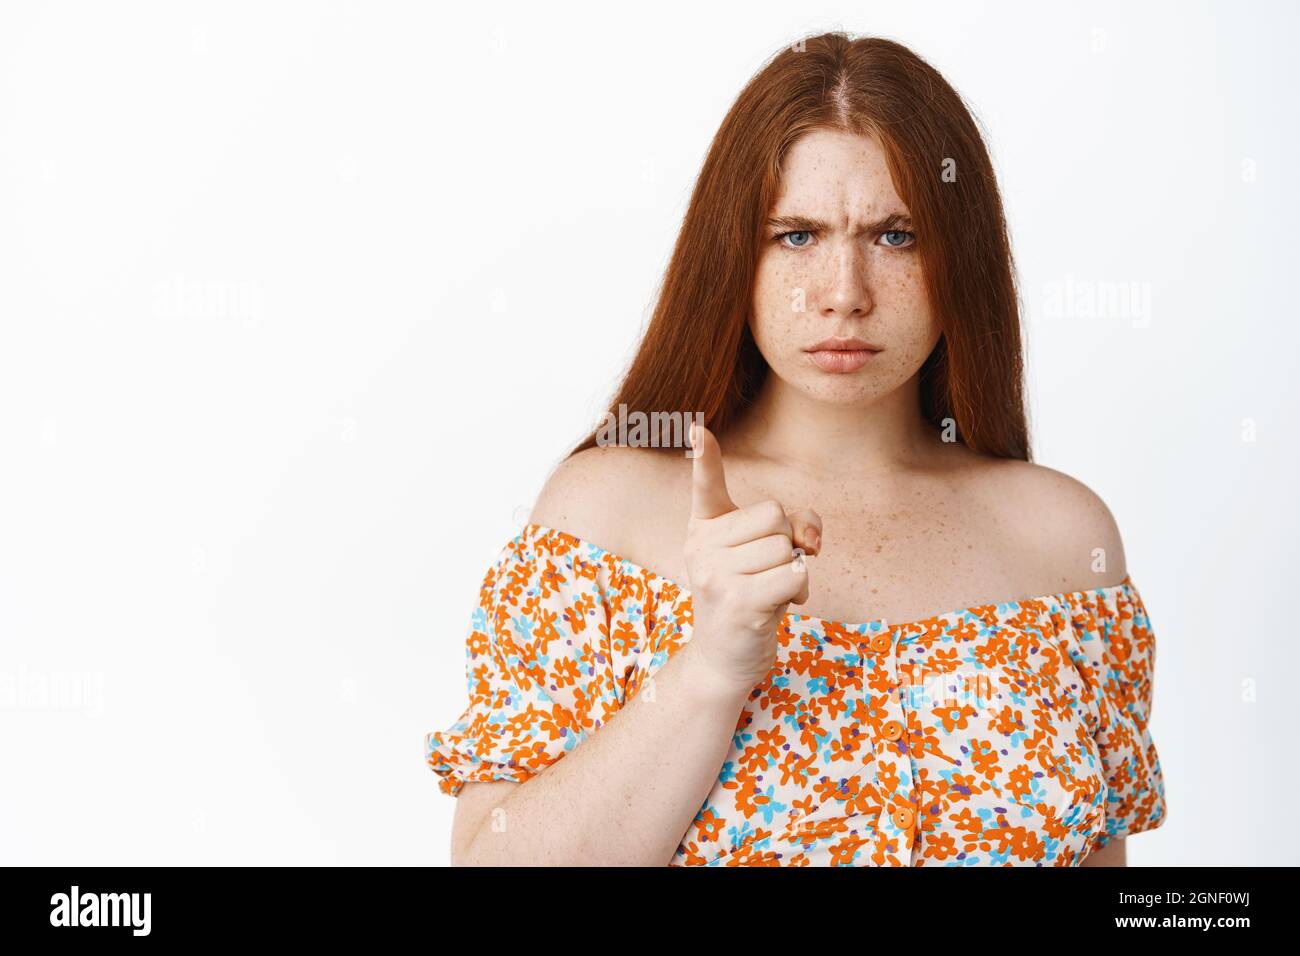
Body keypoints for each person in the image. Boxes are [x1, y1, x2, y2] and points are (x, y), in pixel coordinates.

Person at [425, 31, 1167, 867]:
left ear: (961, 256)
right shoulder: (604, 515)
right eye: (797, 235)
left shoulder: (1063, 541)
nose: (844, 296)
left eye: (896, 236)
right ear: (733, 253)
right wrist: (710, 666)